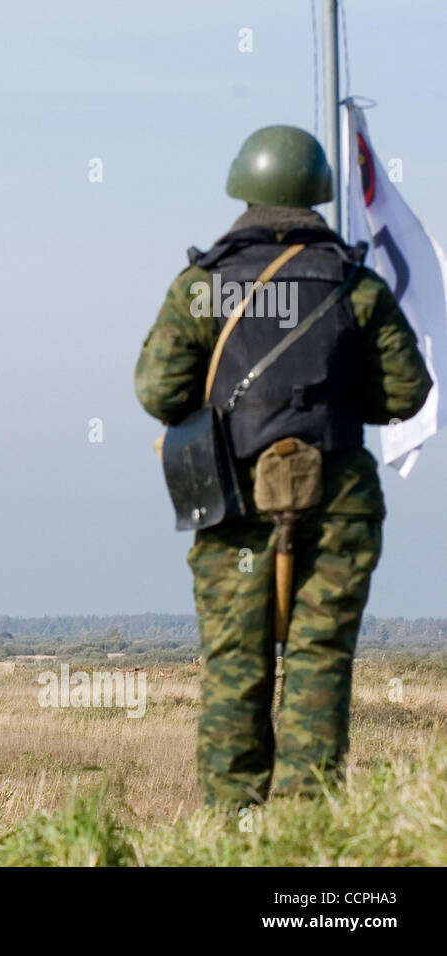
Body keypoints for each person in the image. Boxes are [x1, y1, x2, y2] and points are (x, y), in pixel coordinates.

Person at [134, 125, 432, 807]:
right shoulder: (356, 285)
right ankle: (302, 831)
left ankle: (236, 827)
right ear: (316, 196)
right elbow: (406, 393)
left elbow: (157, 392)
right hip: (338, 500)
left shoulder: (202, 286)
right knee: (318, 660)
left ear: (245, 190)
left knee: (237, 662)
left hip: (231, 499)